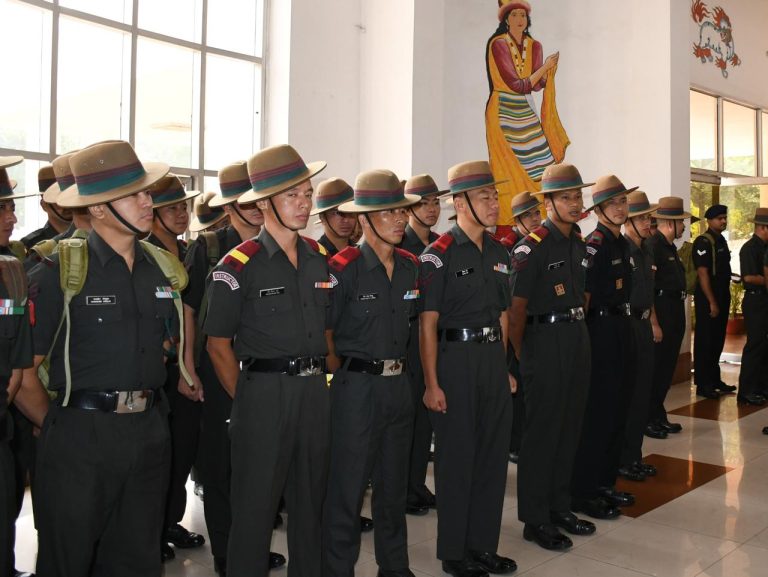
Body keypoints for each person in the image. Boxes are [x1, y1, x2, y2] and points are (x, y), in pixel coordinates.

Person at [29, 140, 182, 576]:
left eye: (147, 192)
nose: (147, 201)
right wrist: (61, 425)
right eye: (134, 194)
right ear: (97, 209)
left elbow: (166, 347)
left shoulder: (161, 269)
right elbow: (24, 372)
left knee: (137, 559)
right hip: (80, 437)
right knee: (68, 560)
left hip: (149, 432)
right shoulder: (59, 272)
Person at [204, 144, 330, 577]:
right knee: (254, 512)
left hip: (313, 393)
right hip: (263, 395)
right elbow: (217, 345)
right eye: (292, 195)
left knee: (311, 507)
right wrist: (248, 403)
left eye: (307, 194)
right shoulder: (237, 266)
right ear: (262, 204)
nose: (304, 204)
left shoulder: (319, 258)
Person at [180, 163, 283, 575]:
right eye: (245, 202)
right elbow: (188, 312)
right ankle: (226, 549)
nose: (255, 208)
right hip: (217, 364)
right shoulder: (207, 248)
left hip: (265, 367)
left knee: (260, 464)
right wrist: (188, 368)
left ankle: (251, 544)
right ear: (229, 207)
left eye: (258, 199)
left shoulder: (274, 247)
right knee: (221, 462)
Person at [418, 160, 516, 577]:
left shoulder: (499, 251)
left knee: (493, 457)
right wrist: (431, 383)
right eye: (484, 197)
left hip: (492, 360)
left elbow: (505, 315)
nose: (494, 204)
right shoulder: (437, 256)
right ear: (459, 203)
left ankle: (483, 545)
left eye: (495, 196)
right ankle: (454, 552)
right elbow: (428, 323)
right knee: (457, 459)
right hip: (454, 363)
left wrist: (506, 365)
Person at [322, 169, 420, 577]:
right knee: (347, 489)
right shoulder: (341, 269)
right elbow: (324, 337)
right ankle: (338, 569)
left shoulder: (412, 266)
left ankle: (394, 568)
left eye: (401, 211)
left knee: (393, 488)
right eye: (388, 212)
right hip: (356, 389)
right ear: (364, 219)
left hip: (398, 387)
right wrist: (345, 380)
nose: (399, 219)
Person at [509, 163, 593, 550]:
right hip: (542, 342)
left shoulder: (577, 241)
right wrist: (525, 355)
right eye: (565, 197)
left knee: (570, 425)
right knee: (542, 433)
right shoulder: (532, 247)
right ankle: (535, 517)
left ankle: (560, 506)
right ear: (547, 203)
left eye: (577, 196)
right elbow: (516, 310)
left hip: (575, 336)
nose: (575, 203)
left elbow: (584, 294)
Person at [144, 175, 206, 562]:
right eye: (172, 208)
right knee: (160, 455)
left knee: (182, 449)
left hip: (185, 365)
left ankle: (170, 521)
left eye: (184, 207)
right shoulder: (145, 252)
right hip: (161, 369)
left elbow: (194, 310)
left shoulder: (187, 253)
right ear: (153, 215)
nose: (182, 214)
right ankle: (152, 530)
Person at [571, 174, 636, 521]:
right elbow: (585, 298)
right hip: (600, 330)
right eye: (615, 203)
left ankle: (606, 481)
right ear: (599, 209)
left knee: (617, 410)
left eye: (624, 201)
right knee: (598, 413)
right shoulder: (594, 245)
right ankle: (585, 490)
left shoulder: (622, 243)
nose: (622, 208)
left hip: (621, 326)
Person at [484, 0, 569, 232]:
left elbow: (536, 84)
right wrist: (544, 67)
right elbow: (517, 84)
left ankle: (541, 222)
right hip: (503, 110)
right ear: (506, 19)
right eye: (514, 15)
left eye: (523, 14)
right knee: (509, 170)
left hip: (523, 109)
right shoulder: (498, 44)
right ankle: (507, 227)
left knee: (542, 164)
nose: (519, 19)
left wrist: (550, 71)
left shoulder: (534, 45)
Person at [399, 174, 442, 515]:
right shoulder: (401, 246)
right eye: (422, 203)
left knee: (426, 420)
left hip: (435, 339)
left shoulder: (441, 245)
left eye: (434, 202)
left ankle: (415, 483)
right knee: (408, 420)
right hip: (408, 340)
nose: (430, 209)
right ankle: (403, 489)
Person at [0, 154, 35, 577]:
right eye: (2, 207)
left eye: (10, 206)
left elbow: (18, 366)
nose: (11, 216)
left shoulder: (11, 273)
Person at [617, 191, 660, 482]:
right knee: (628, 396)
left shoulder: (646, 250)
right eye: (643, 218)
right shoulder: (622, 251)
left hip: (644, 324)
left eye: (649, 217)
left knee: (643, 393)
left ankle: (635, 455)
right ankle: (623, 459)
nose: (648, 223)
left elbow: (649, 294)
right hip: (627, 324)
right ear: (629, 221)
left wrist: (654, 321)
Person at [499, 191, 542, 465]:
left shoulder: (537, 243)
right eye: (529, 215)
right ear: (518, 220)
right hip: (508, 322)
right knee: (516, 389)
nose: (536, 218)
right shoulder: (508, 246)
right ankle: (513, 443)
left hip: (529, 321)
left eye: (537, 213)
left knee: (527, 389)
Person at [645, 197, 690, 438]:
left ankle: (658, 414)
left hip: (674, 308)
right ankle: (648, 418)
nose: (684, 226)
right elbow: (649, 288)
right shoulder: (654, 246)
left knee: (667, 368)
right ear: (671, 223)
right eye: (682, 222)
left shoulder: (670, 247)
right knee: (657, 368)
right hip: (662, 310)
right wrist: (654, 322)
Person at [693, 204, 734, 399]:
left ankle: (714, 379)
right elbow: (702, 273)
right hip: (708, 298)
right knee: (705, 340)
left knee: (717, 339)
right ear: (709, 220)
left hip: (722, 294)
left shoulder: (721, 241)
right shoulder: (703, 242)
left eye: (725, 217)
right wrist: (712, 301)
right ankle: (703, 384)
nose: (723, 221)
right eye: (719, 218)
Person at [737, 208, 768, 405]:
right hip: (755, 301)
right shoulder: (749, 248)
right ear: (763, 228)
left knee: (764, 346)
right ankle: (746, 391)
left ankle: (761, 387)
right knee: (755, 345)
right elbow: (748, 278)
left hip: (764, 299)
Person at [19, 165, 71, 249]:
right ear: (44, 205)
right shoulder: (31, 244)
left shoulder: (90, 237)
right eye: (57, 198)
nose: (65, 203)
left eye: (69, 196)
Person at [312, 177, 356, 256]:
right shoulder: (314, 256)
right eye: (336, 213)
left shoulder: (361, 254)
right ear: (322, 217)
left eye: (350, 212)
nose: (346, 220)